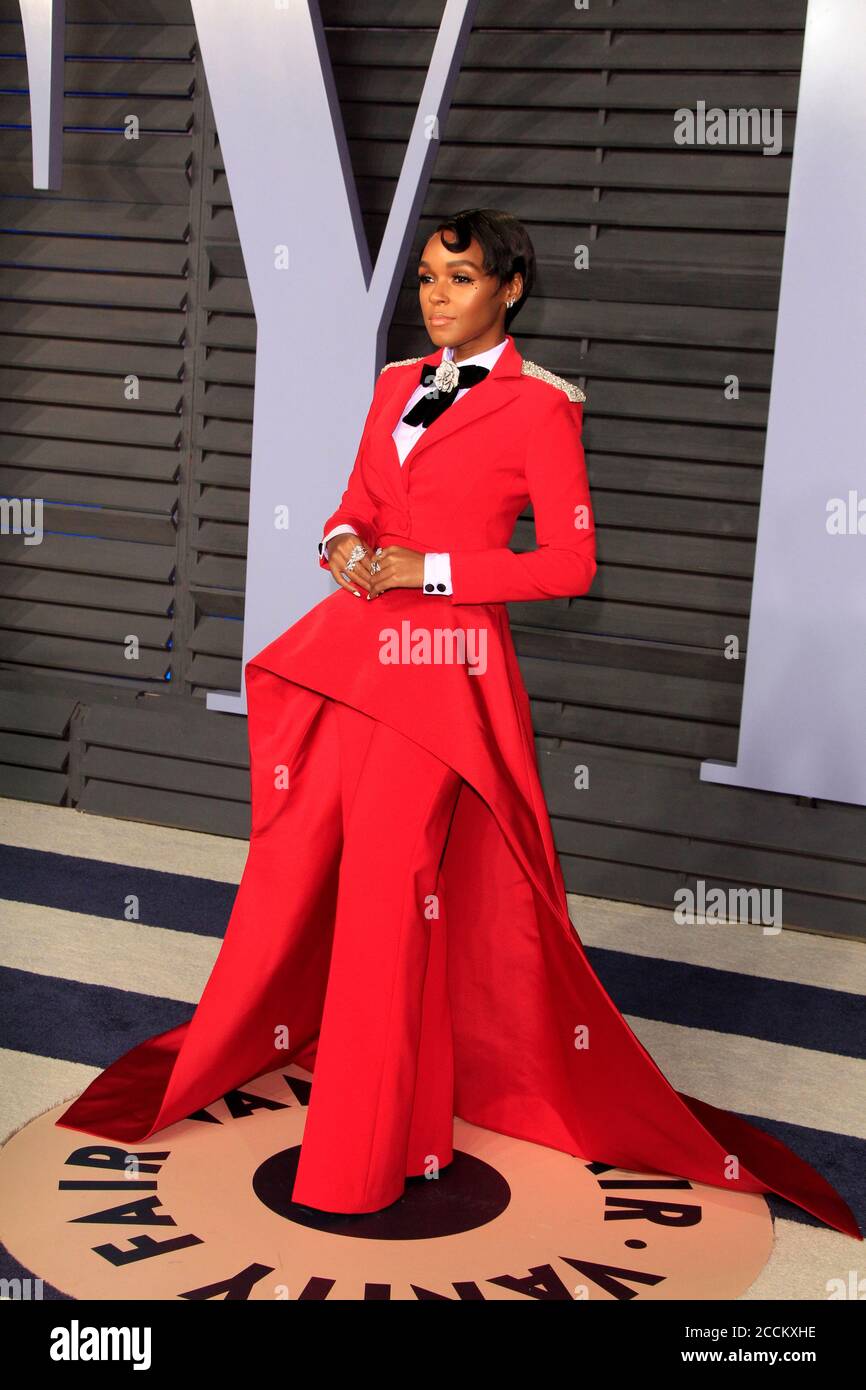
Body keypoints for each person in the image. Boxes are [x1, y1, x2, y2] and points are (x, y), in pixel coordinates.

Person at [55, 209, 861, 1240]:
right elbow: (353, 506)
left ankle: (358, 1163)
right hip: (351, 660)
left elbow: (569, 564)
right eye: (428, 277)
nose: (435, 295)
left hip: (442, 676)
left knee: (395, 898)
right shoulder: (394, 384)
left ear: (511, 289)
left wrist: (428, 570)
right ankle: (414, 1123)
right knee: (328, 882)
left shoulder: (540, 410)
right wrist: (346, 543)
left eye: (460, 278)